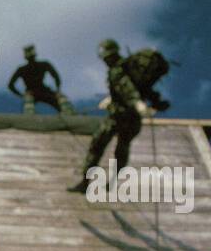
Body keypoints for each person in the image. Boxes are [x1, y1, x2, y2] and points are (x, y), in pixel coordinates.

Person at [68, 38, 166, 193]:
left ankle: (85, 182)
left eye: (106, 57)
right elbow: (137, 89)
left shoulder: (117, 70)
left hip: (118, 117)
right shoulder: (129, 67)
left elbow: (126, 88)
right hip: (133, 119)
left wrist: (135, 102)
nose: (105, 60)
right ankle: (112, 182)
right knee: (122, 149)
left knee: (97, 145)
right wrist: (155, 102)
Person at [7, 44, 73, 115]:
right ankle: (68, 114)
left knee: (61, 100)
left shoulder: (22, 69)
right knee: (61, 101)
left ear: (25, 57)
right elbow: (56, 77)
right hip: (39, 92)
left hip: (34, 92)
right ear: (35, 55)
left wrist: (22, 95)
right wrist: (58, 90)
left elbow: (10, 85)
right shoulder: (43, 65)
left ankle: (67, 113)